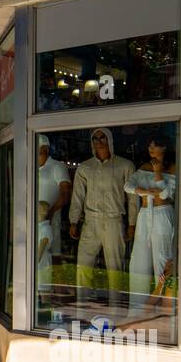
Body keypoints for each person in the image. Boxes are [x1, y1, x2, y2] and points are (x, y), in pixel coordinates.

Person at [69, 128, 136, 313]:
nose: (98, 141)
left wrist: (132, 224)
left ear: (110, 140)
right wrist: (73, 221)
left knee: (115, 266)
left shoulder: (125, 165)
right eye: (95, 138)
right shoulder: (85, 168)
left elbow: (132, 198)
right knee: (83, 264)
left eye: (102, 137)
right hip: (91, 220)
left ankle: (116, 308)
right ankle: (82, 306)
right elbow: (77, 196)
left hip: (114, 220)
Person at [124, 134, 177, 313]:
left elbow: (165, 195)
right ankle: (137, 310)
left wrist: (158, 173)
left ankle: (164, 309)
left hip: (162, 214)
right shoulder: (143, 167)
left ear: (165, 148)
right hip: (144, 214)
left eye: (155, 145)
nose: (151, 148)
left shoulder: (174, 167)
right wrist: (144, 191)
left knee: (162, 258)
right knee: (138, 260)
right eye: (149, 146)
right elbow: (128, 186)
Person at [36, 135, 72, 273]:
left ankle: (57, 290)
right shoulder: (30, 167)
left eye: (40, 148)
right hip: (32, 220)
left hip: (50, 220)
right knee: (34, 256)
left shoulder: (57, 166)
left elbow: (65, 194)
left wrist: (50, 212)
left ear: (46, 149)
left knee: (53, 256)